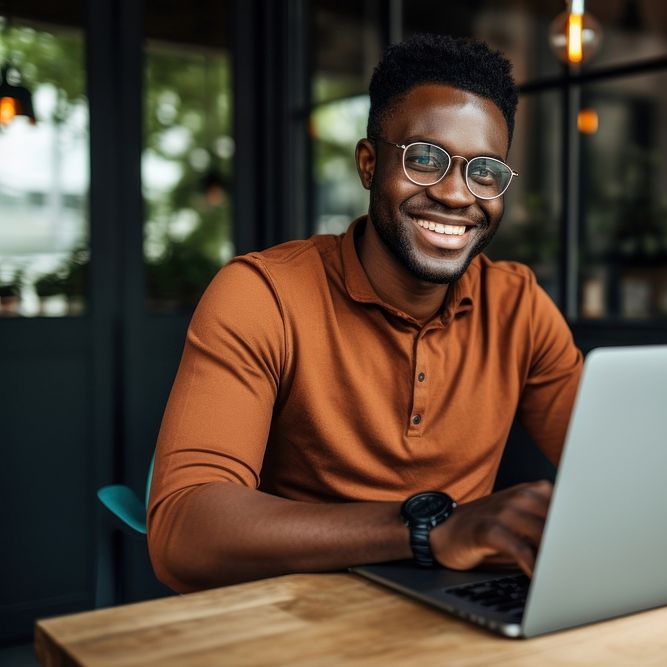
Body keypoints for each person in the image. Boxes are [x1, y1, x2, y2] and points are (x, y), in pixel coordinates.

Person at [147, 35, 583, 593]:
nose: (456, 195)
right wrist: (430, 527)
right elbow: (183, 534)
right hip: (299, 615)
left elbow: (622, 469)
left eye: (485, 172)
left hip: (460, 615)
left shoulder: (518, 307)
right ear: (369, 164)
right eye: (426, 159)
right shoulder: (262, 295)